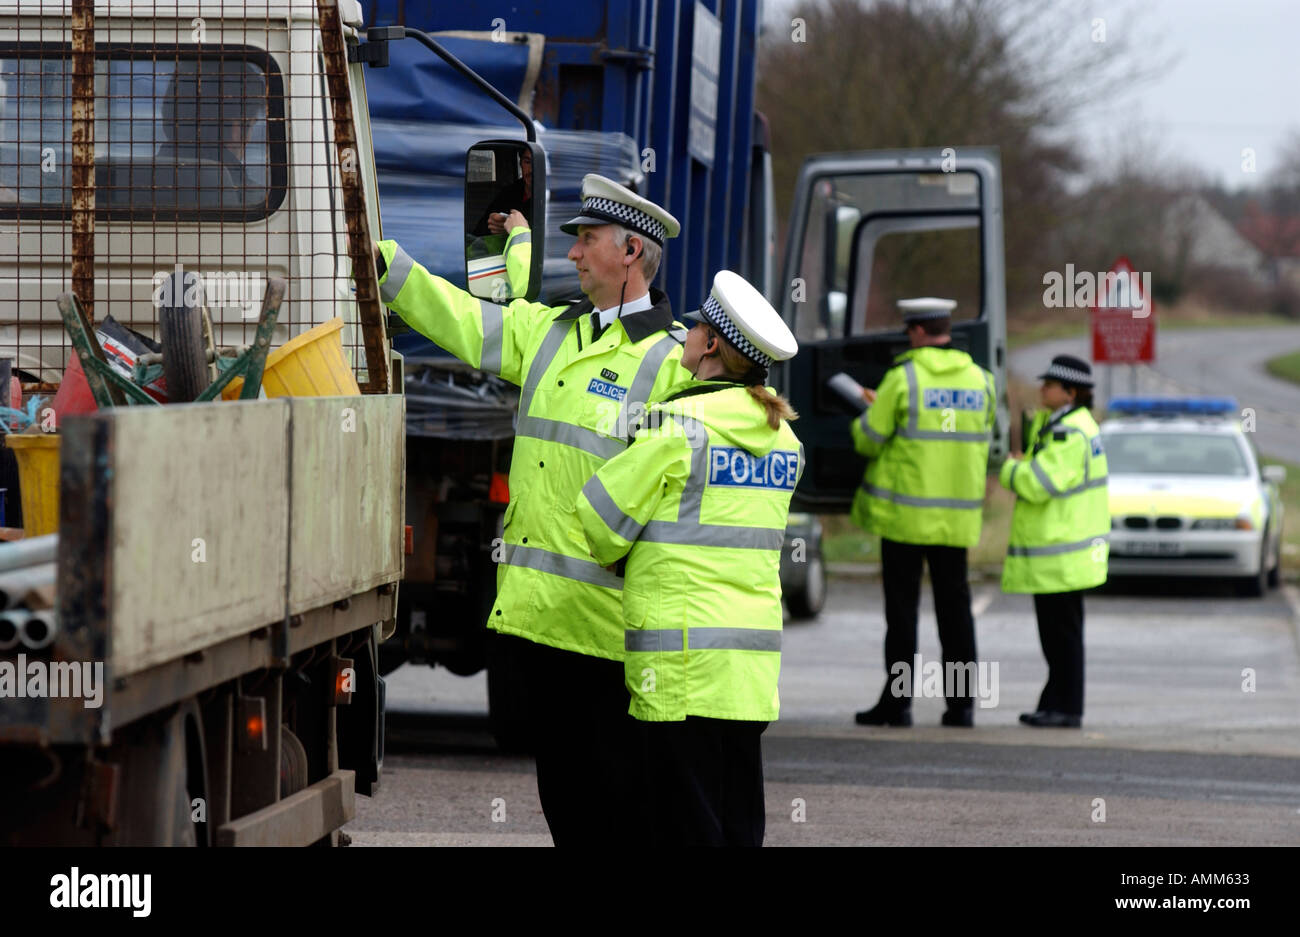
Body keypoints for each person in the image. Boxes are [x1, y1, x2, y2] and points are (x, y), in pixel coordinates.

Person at [373, 173, 690, 845]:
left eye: (587, 241)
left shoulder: (671, 364)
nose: (573, 254)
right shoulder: (548, 333)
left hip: (613, 635)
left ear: (631, 251)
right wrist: (387, 266)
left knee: (618, 805)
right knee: (565, 804)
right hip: (539, 626)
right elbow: (462, 317)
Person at [575, 270, 802, 846]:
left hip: (678, 667)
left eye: (697, 327)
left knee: (682, 824)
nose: (687, 334)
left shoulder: (679, 427)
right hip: (746, 671)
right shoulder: (785, 443)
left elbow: (600, 518)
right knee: (738, 821)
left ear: (712, 347)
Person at [851, 298, 995, 728]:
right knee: (957, 613)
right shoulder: (982, 380)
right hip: (957, 519)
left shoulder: (903, 379)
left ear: (915, 332)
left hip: (905, 518)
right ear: (946, 329)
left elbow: (869, 439)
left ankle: (898, 705)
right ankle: (962, 706)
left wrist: (866, 413)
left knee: (902, 615)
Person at [999, 355, 1109, 728]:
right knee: (1061, 637)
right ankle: (1055, 702)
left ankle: (1066, 709)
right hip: (1065, 555)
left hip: (1061, 555)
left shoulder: (1069, 432)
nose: (1042, 388)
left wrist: (1012, 468)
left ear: (1070, 393)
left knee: (1061, 638)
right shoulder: (1068, 424)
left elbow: (1039, 484)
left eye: (1050, 385)